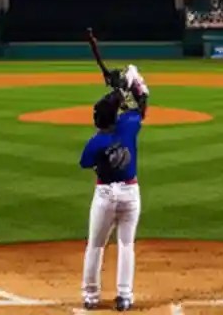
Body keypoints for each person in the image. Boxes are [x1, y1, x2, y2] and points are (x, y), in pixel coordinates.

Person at [79, 63, 149, 311]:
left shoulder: (95, 143)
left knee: (95, 246)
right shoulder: (129, 124)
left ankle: (90, 296)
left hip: (105, 196)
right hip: (130, 194)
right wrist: (129, 82)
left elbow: (85, 164)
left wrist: (117, 93)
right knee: (126, 245)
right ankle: (125, 296)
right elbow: (142, 102)